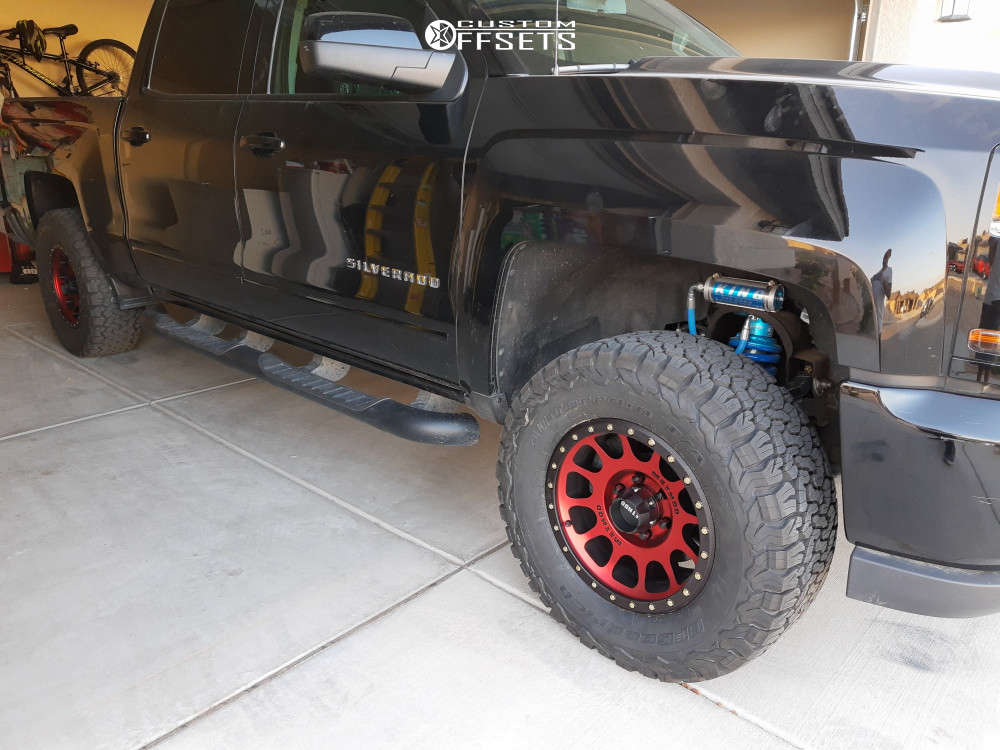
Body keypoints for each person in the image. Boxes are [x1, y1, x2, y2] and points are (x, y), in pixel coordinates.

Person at [871, 248, 893, 331]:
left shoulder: (889, 270)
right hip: (871, 315)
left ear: (889, 257)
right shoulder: (876, 274)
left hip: (878, 317)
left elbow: (889, 295)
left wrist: (883, 281)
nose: (885, 257)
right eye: (884, 255)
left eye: (887, 255)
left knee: (877, 337)